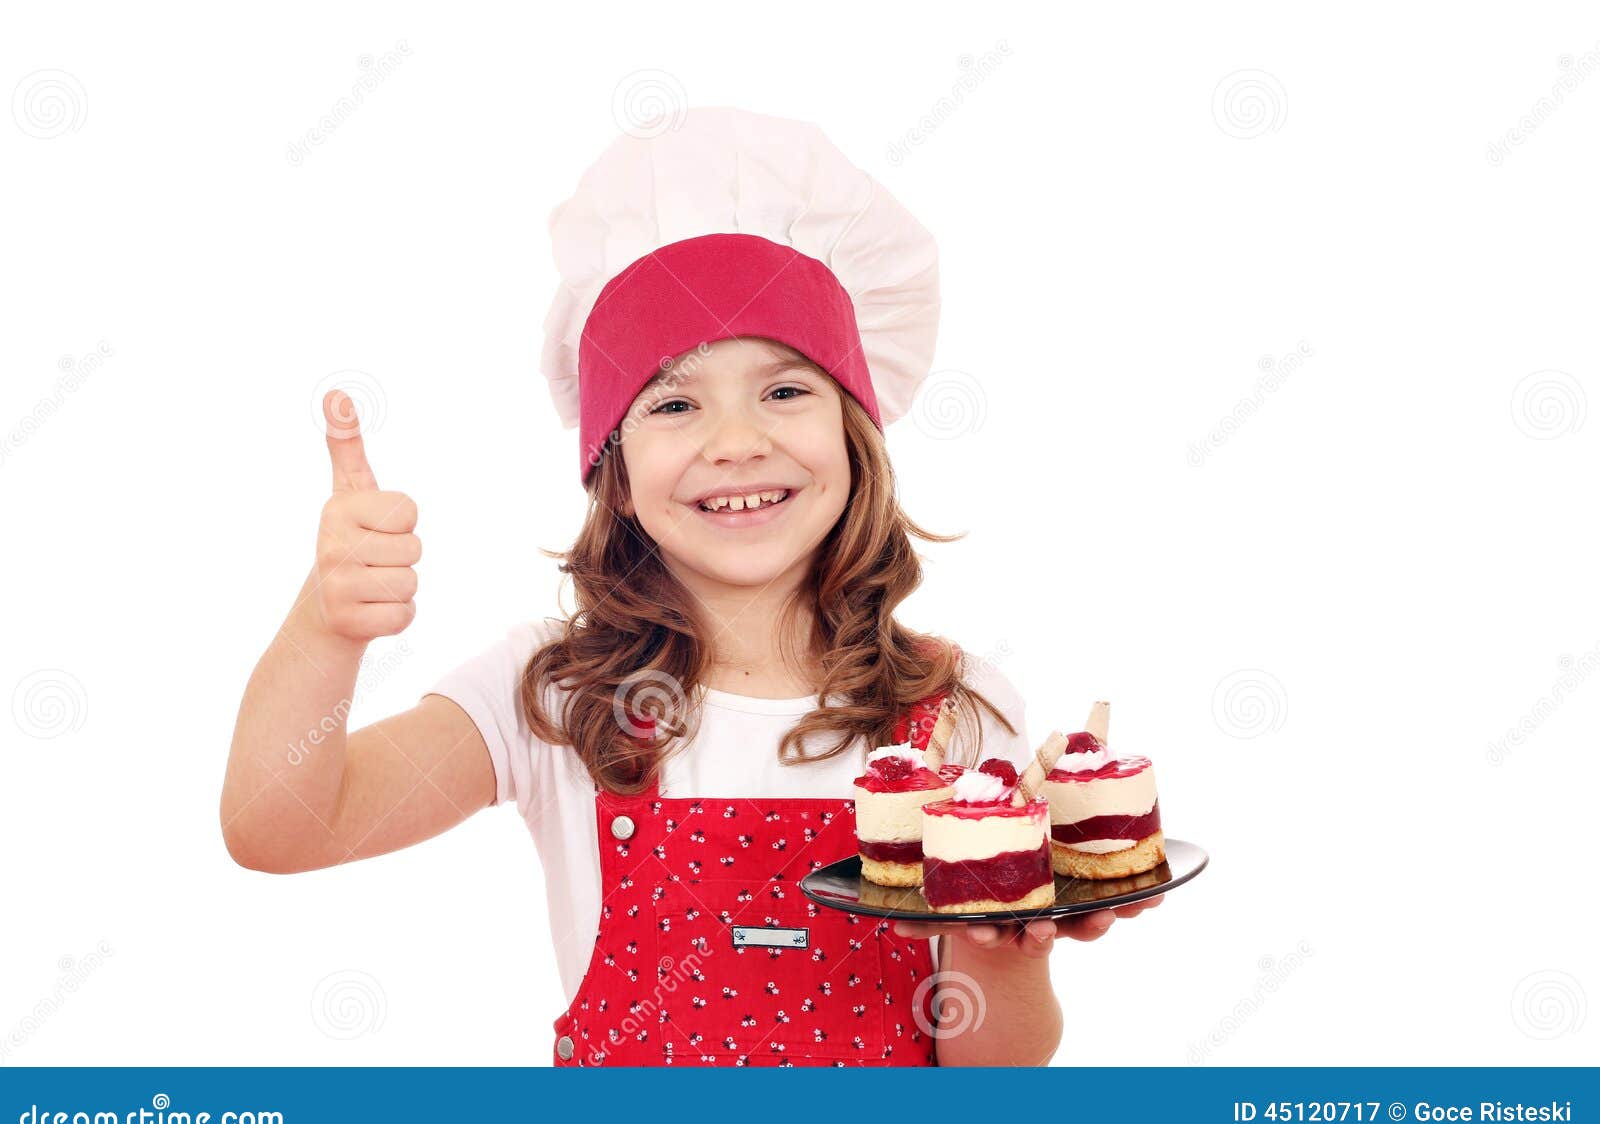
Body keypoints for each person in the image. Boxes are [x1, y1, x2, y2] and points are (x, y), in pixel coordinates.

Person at [220, 108, 1158, 1067]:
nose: (736, 440)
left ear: (855, 434)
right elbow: (285, 825)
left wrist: (1007, 957)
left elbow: (990, 1075)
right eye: (673, 401)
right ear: (613, 469)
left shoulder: (957, 717)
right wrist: (326, 630)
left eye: (786, 389)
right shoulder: (550, 697)